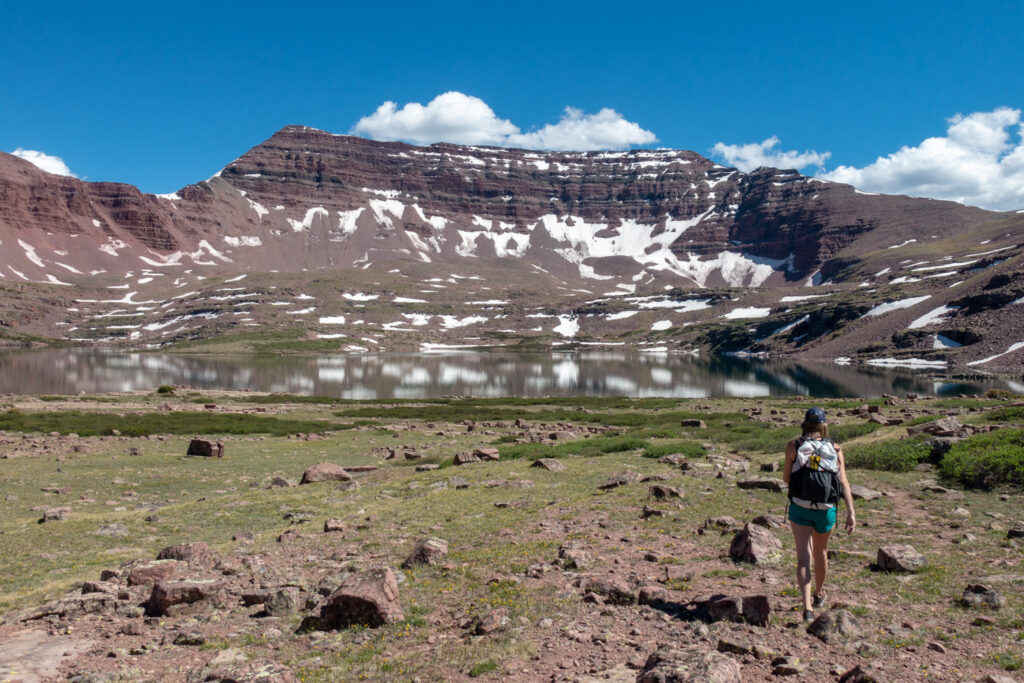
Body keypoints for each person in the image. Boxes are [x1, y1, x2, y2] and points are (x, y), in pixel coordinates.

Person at [783, 407, 856, 623]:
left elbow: (787, 478)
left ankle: (806, 608)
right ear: (824, 426)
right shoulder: (835, 448)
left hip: (800, 506)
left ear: (804, 423)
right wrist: (851, 512)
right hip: (826, 509)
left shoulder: (793, 446)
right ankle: (819, 594)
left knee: (803, 558)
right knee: (821, 552)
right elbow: (843, 482)